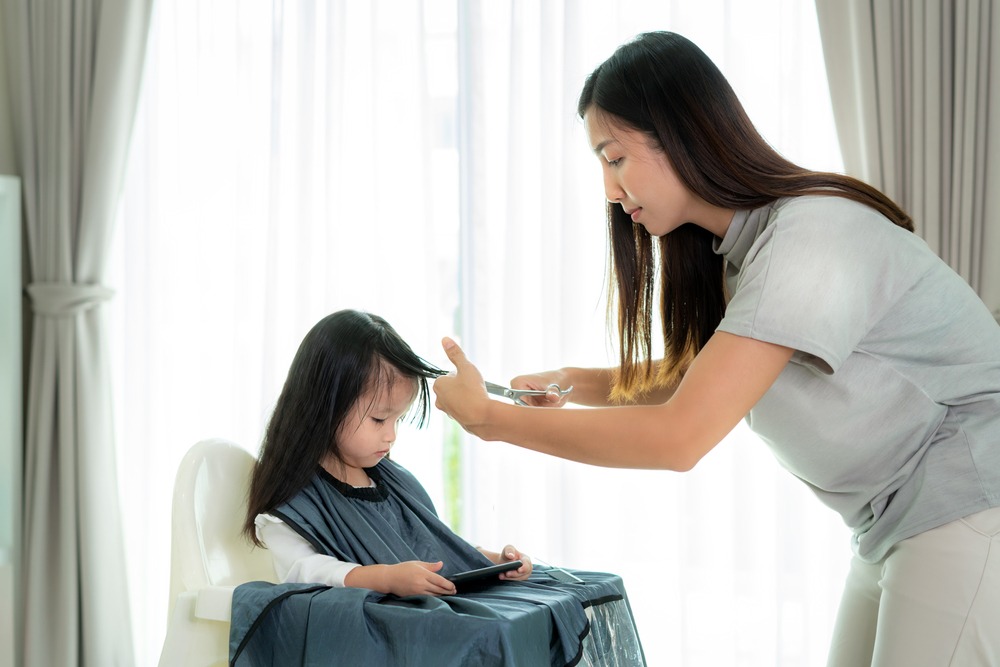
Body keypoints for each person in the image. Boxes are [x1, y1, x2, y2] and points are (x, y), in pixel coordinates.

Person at [432, 31, 1000, 667]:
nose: (609, 190)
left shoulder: (812, 236)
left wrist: (490, 420)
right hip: (895, 524)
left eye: (614, 158)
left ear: (680, 133)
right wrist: (574, 381)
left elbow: (682, 437)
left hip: (967, 500)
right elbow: (706, 379)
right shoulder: (742, 256)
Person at [232, 309, 646, 666]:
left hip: (421, 610)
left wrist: (489, 560)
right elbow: (302, 572)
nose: (391, 436)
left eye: (398, 421)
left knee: (593, 588)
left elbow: (432, 549)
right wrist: (384, 578)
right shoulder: (294, 505)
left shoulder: (395, 481)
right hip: (390, 629)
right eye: (380, 420)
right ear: (324, 406)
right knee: (496, 634)